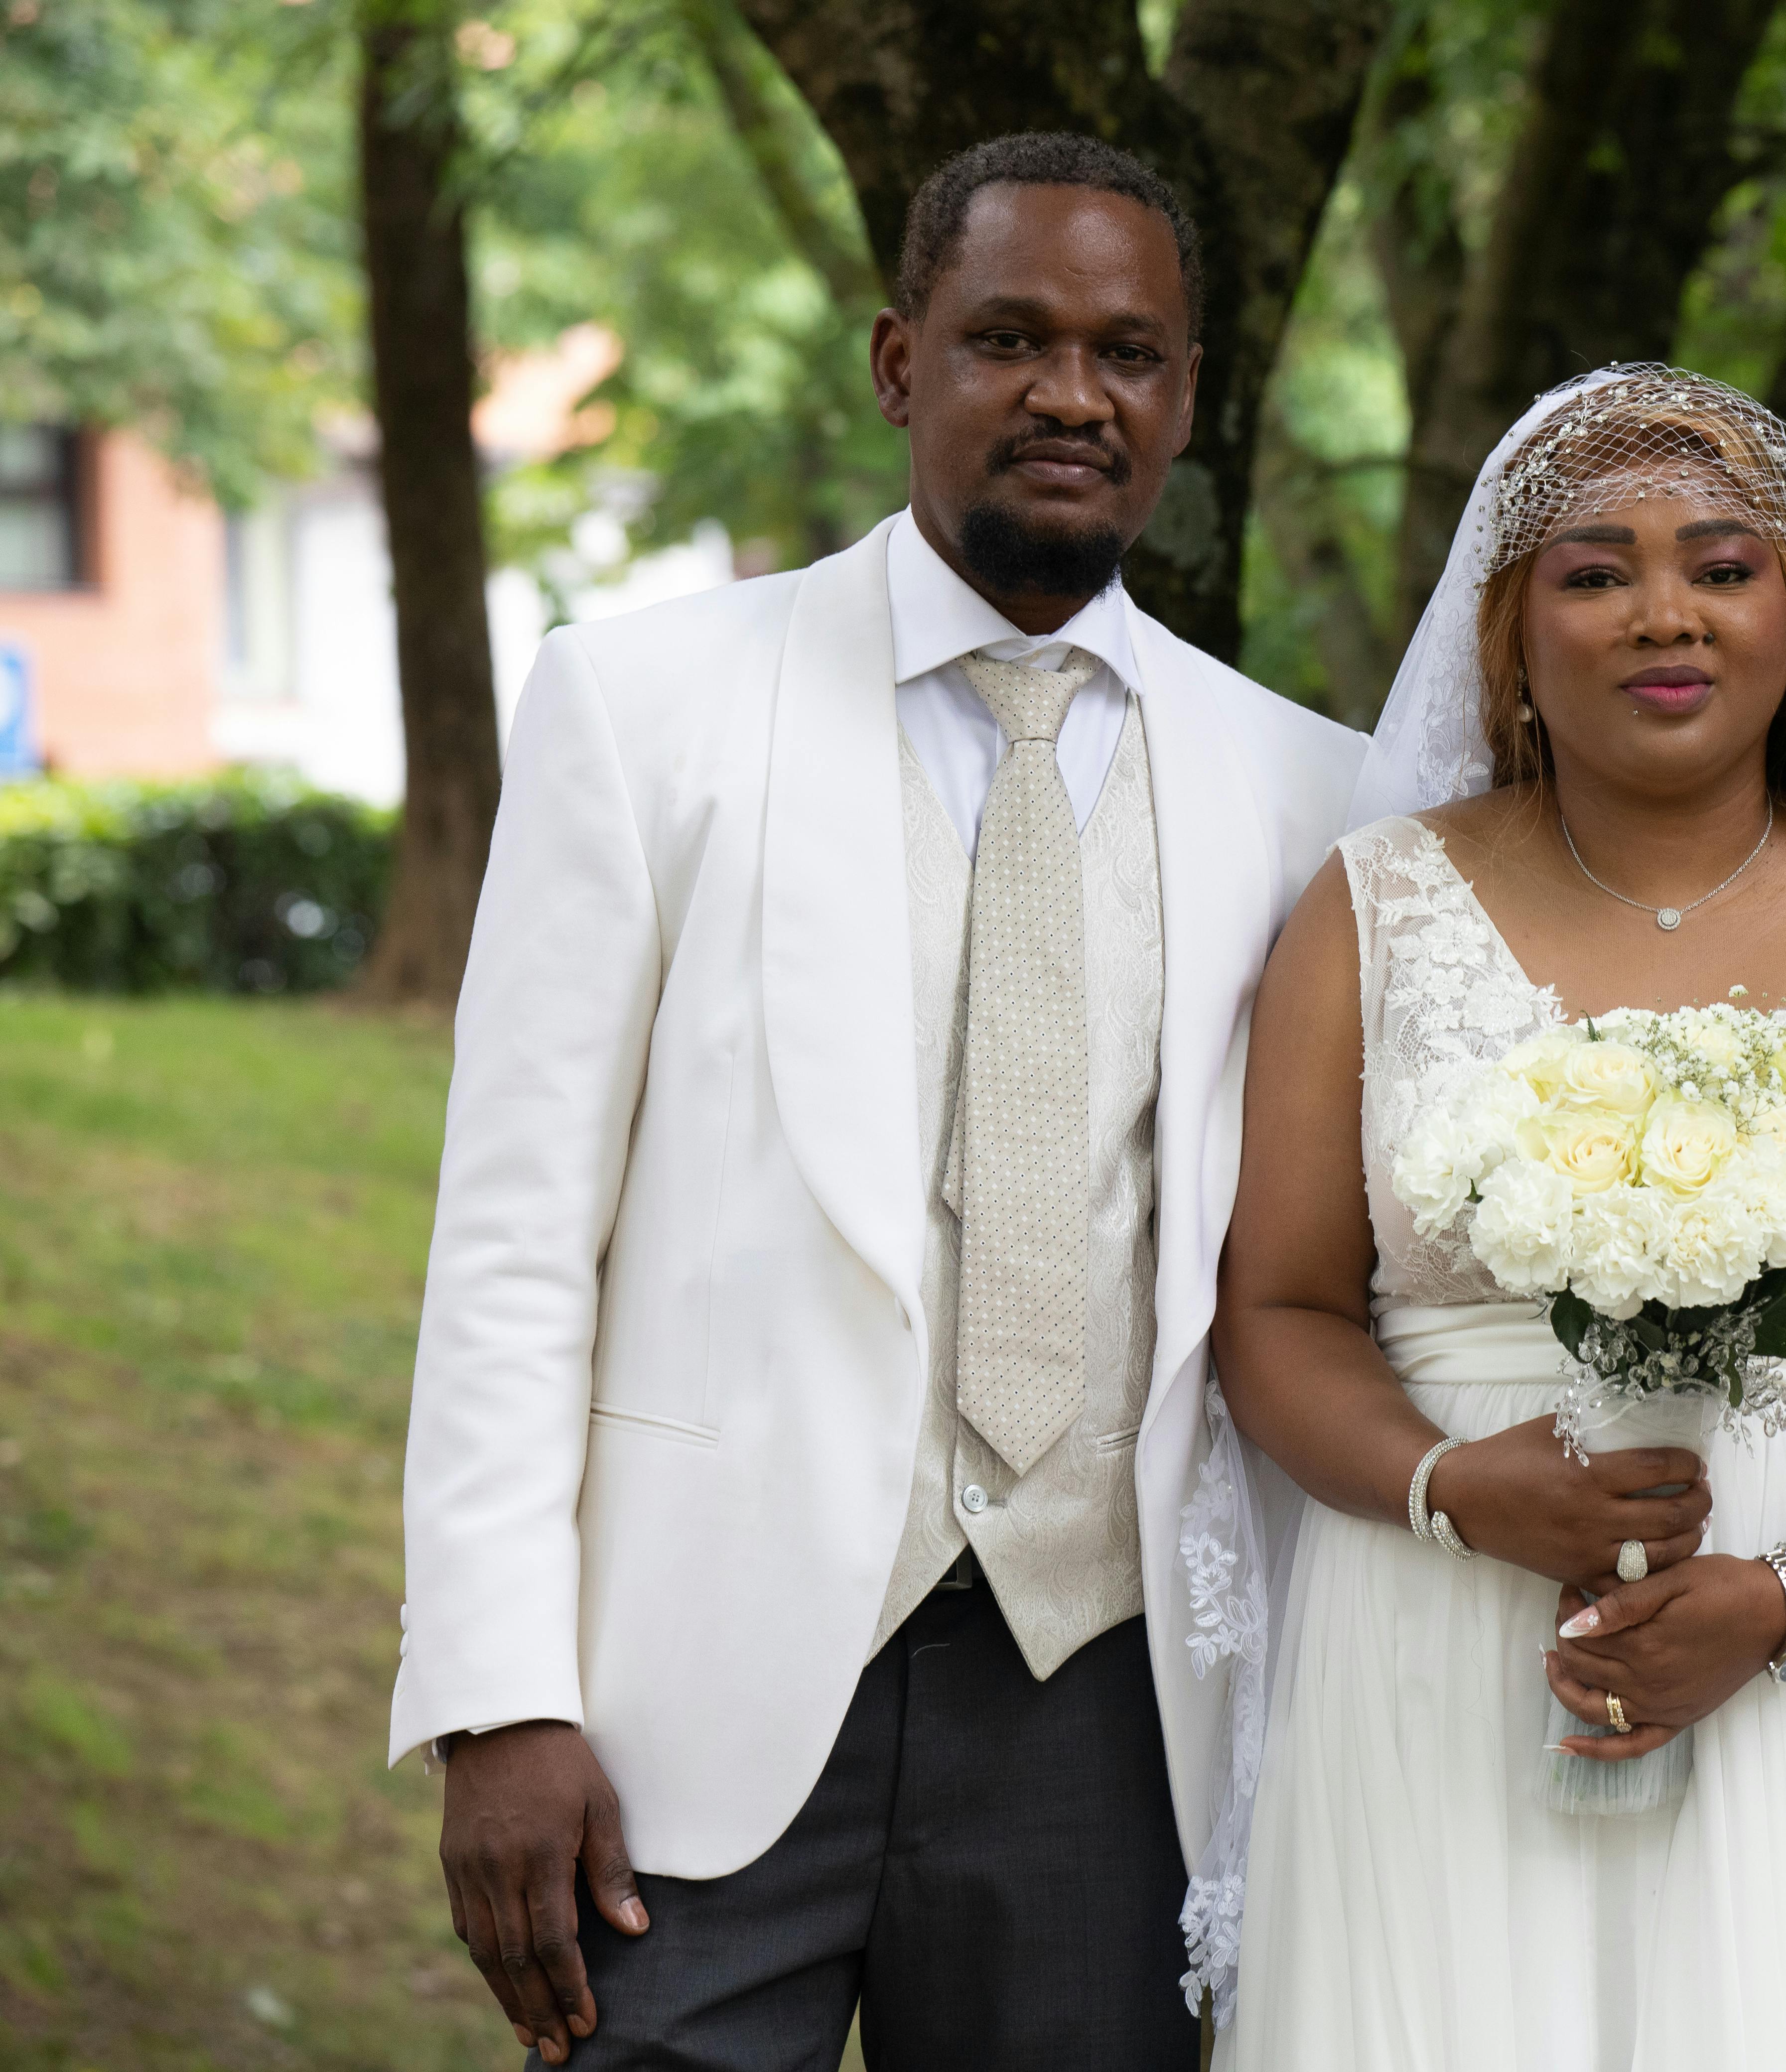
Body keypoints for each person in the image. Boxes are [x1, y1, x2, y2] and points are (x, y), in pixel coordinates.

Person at [387, 132, 1365, 2068]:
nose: (1072, 391)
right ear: (898, 361)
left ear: (1185, 398)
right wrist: (499, 1689)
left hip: (1106, 1700)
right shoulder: (645, 704)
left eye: (1129, 352)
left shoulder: (1305, 787)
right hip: (690, 1690)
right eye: (1010, 336)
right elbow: (515, 1237)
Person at [1192, 365, 1786, 2071]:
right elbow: (1281, 1312)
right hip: (1442, 1643)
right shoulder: (1371, 912)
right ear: (1509, 632)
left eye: (1724, 564)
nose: (1663, 611)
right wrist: (1447, 1488)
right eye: (1596, 570)